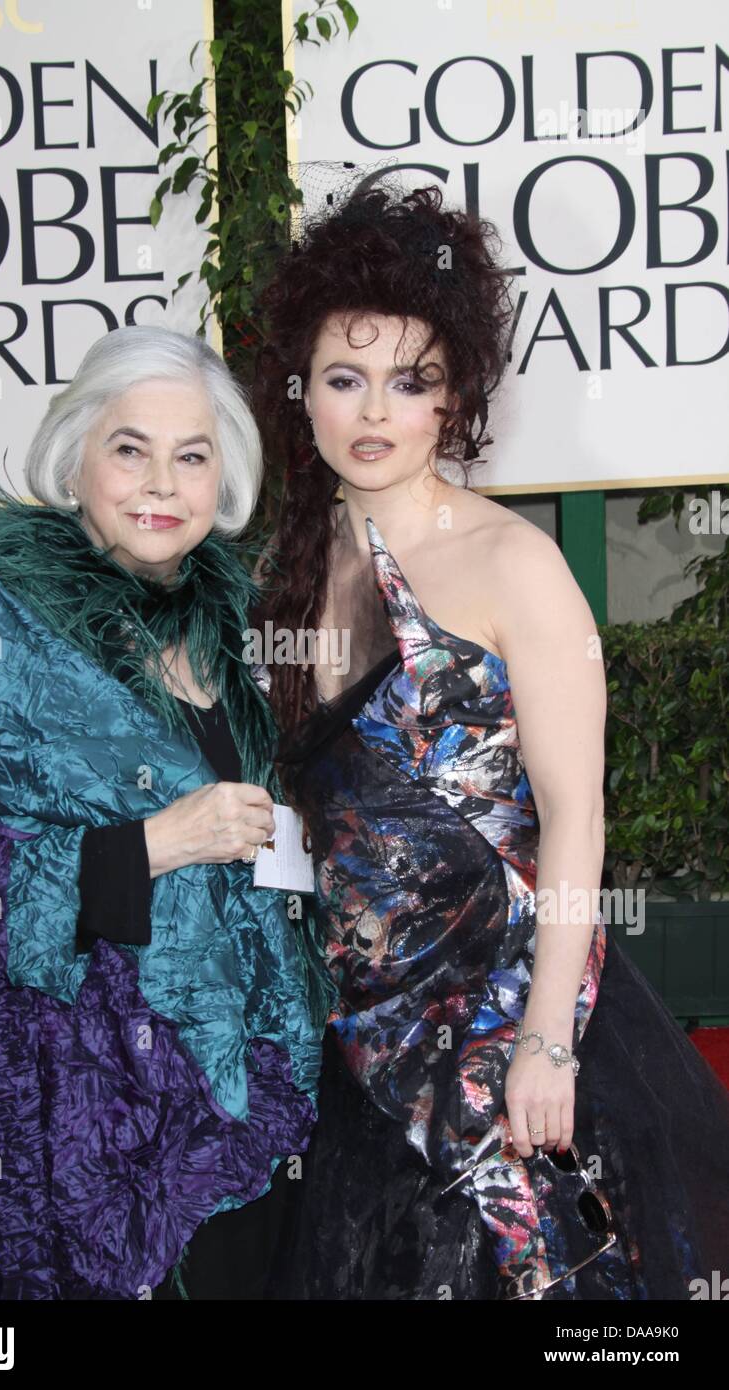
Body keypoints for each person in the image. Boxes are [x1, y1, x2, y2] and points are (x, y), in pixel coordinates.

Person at [249, 177, 729, 1300]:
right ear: (300, 393)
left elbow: (574, 815)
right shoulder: (282, 571)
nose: (373, 411)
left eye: (407, 382)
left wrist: (546, 1041)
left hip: (507, 1015)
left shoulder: (515, 563)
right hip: (359, 1038)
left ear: (450, 397)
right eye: (343, 378)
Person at [0, 324, 333, 1301]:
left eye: (191, 455)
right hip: (76, 1108)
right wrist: (157, 843)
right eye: (131, 448)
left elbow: (277, 834)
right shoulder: (12, 635)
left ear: (224, 480)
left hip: (242, 1078)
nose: (161, 482)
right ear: (75, 460)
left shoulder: (238, 626)